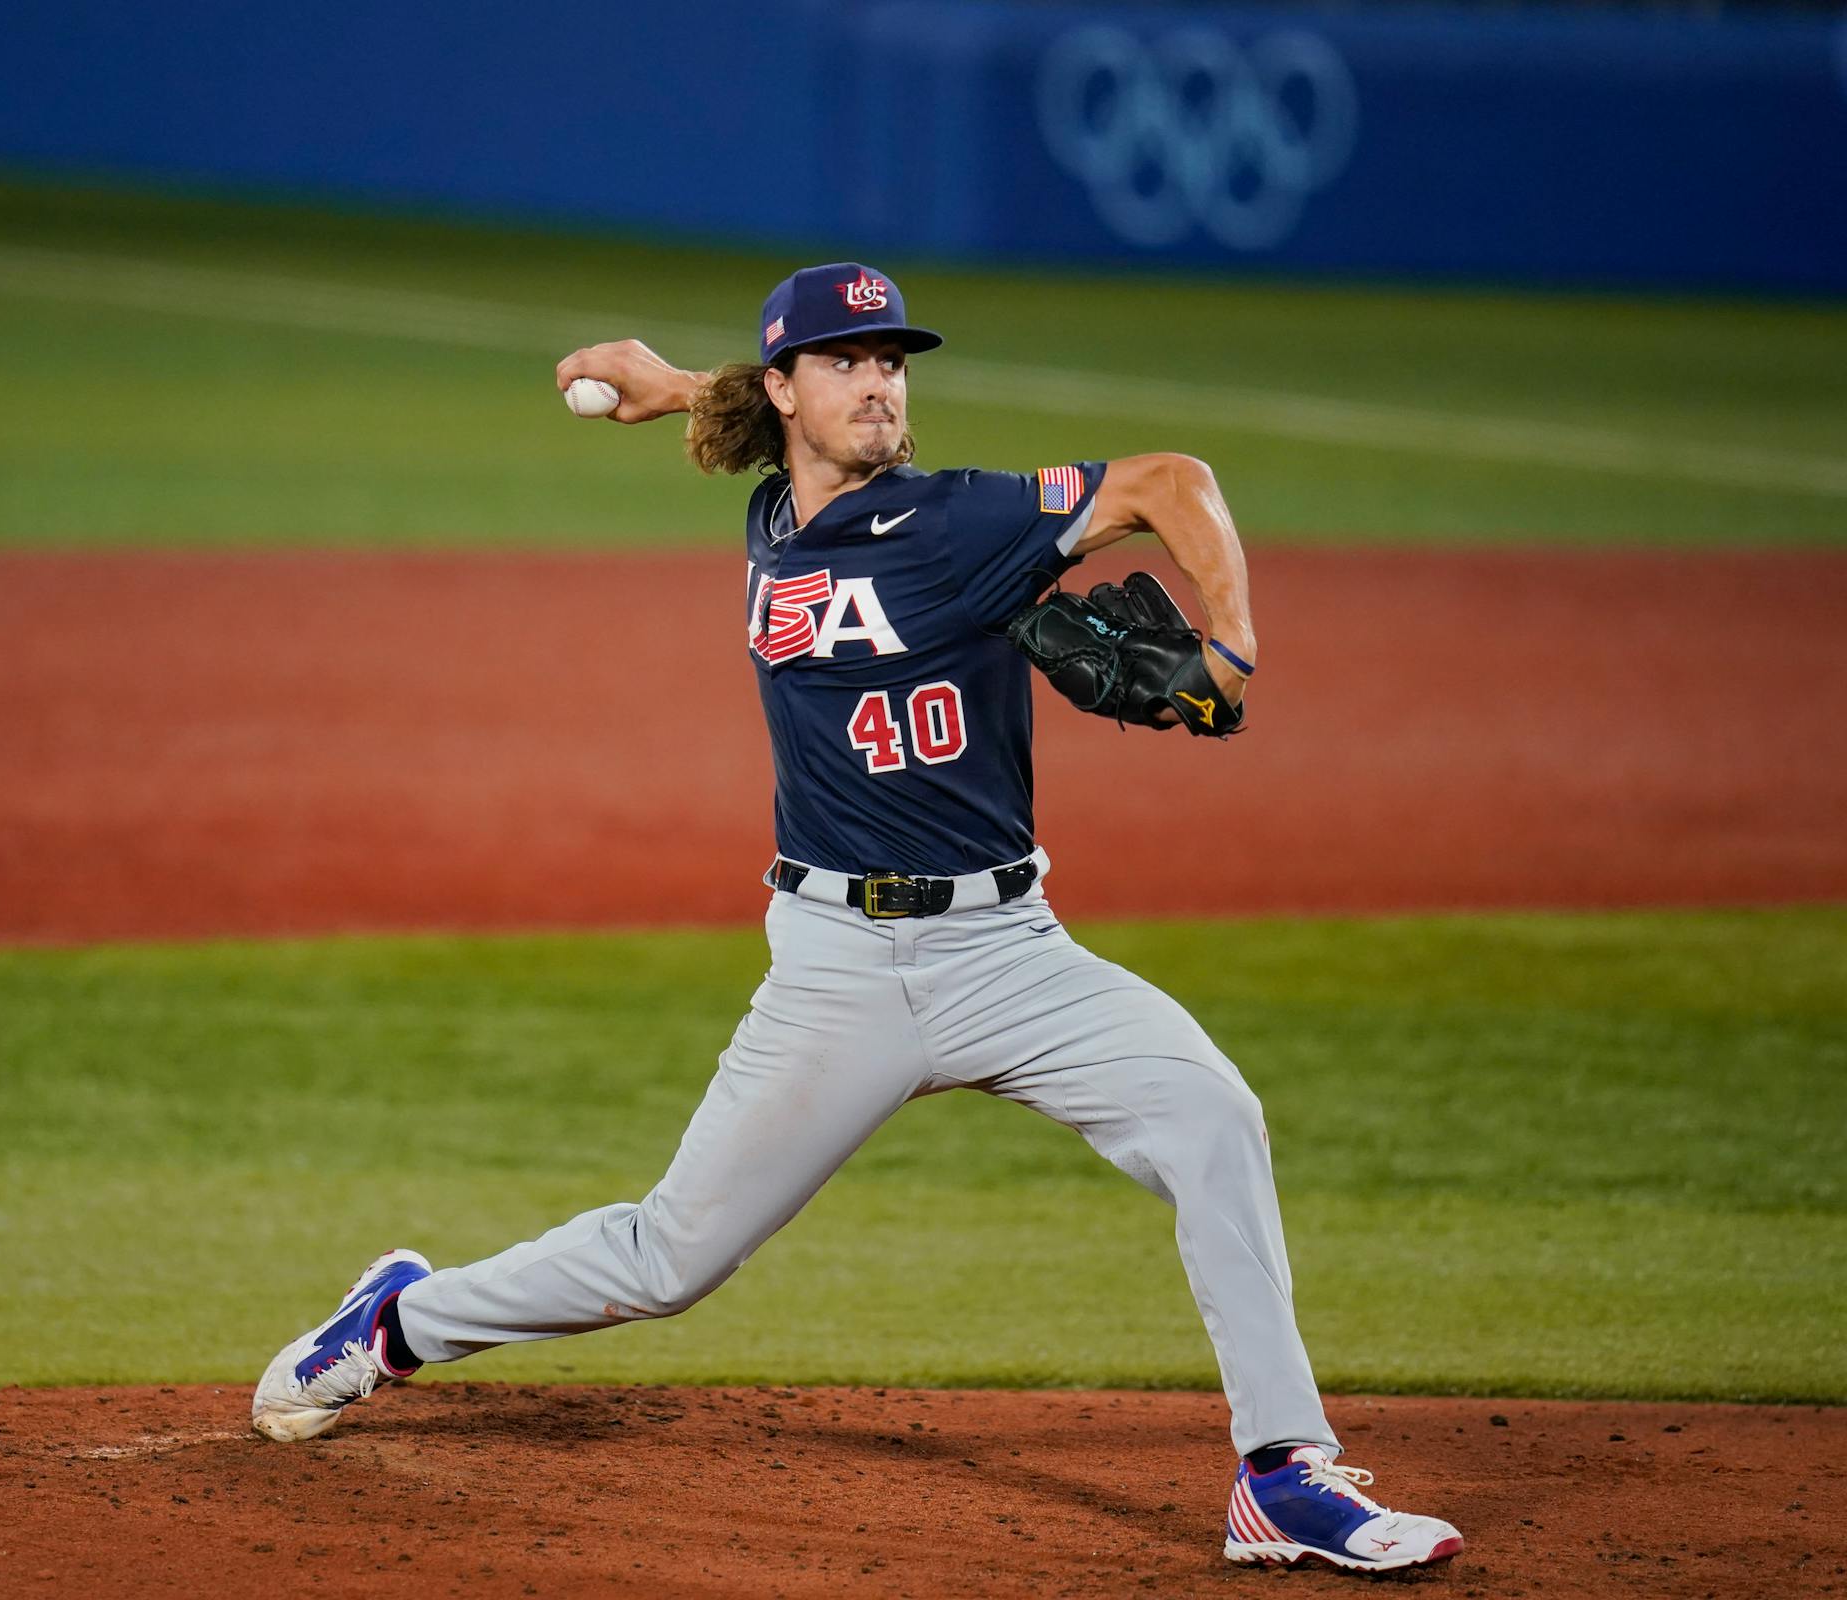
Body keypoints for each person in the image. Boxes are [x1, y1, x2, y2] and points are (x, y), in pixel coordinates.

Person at [251, 263, 1463, 1575]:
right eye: (846, 361)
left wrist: (1229, 652)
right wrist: (670, 391)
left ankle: (1280, 1473)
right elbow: (745, 417)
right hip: (836, 970)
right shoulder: (777, 506)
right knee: (671, 1259)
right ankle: (395, 1323)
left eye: (893, 359)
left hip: (1010, 954)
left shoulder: (964, 523)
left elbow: (1174, 482)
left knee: (1213, 1115)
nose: (881, 381)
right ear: (784, 392)